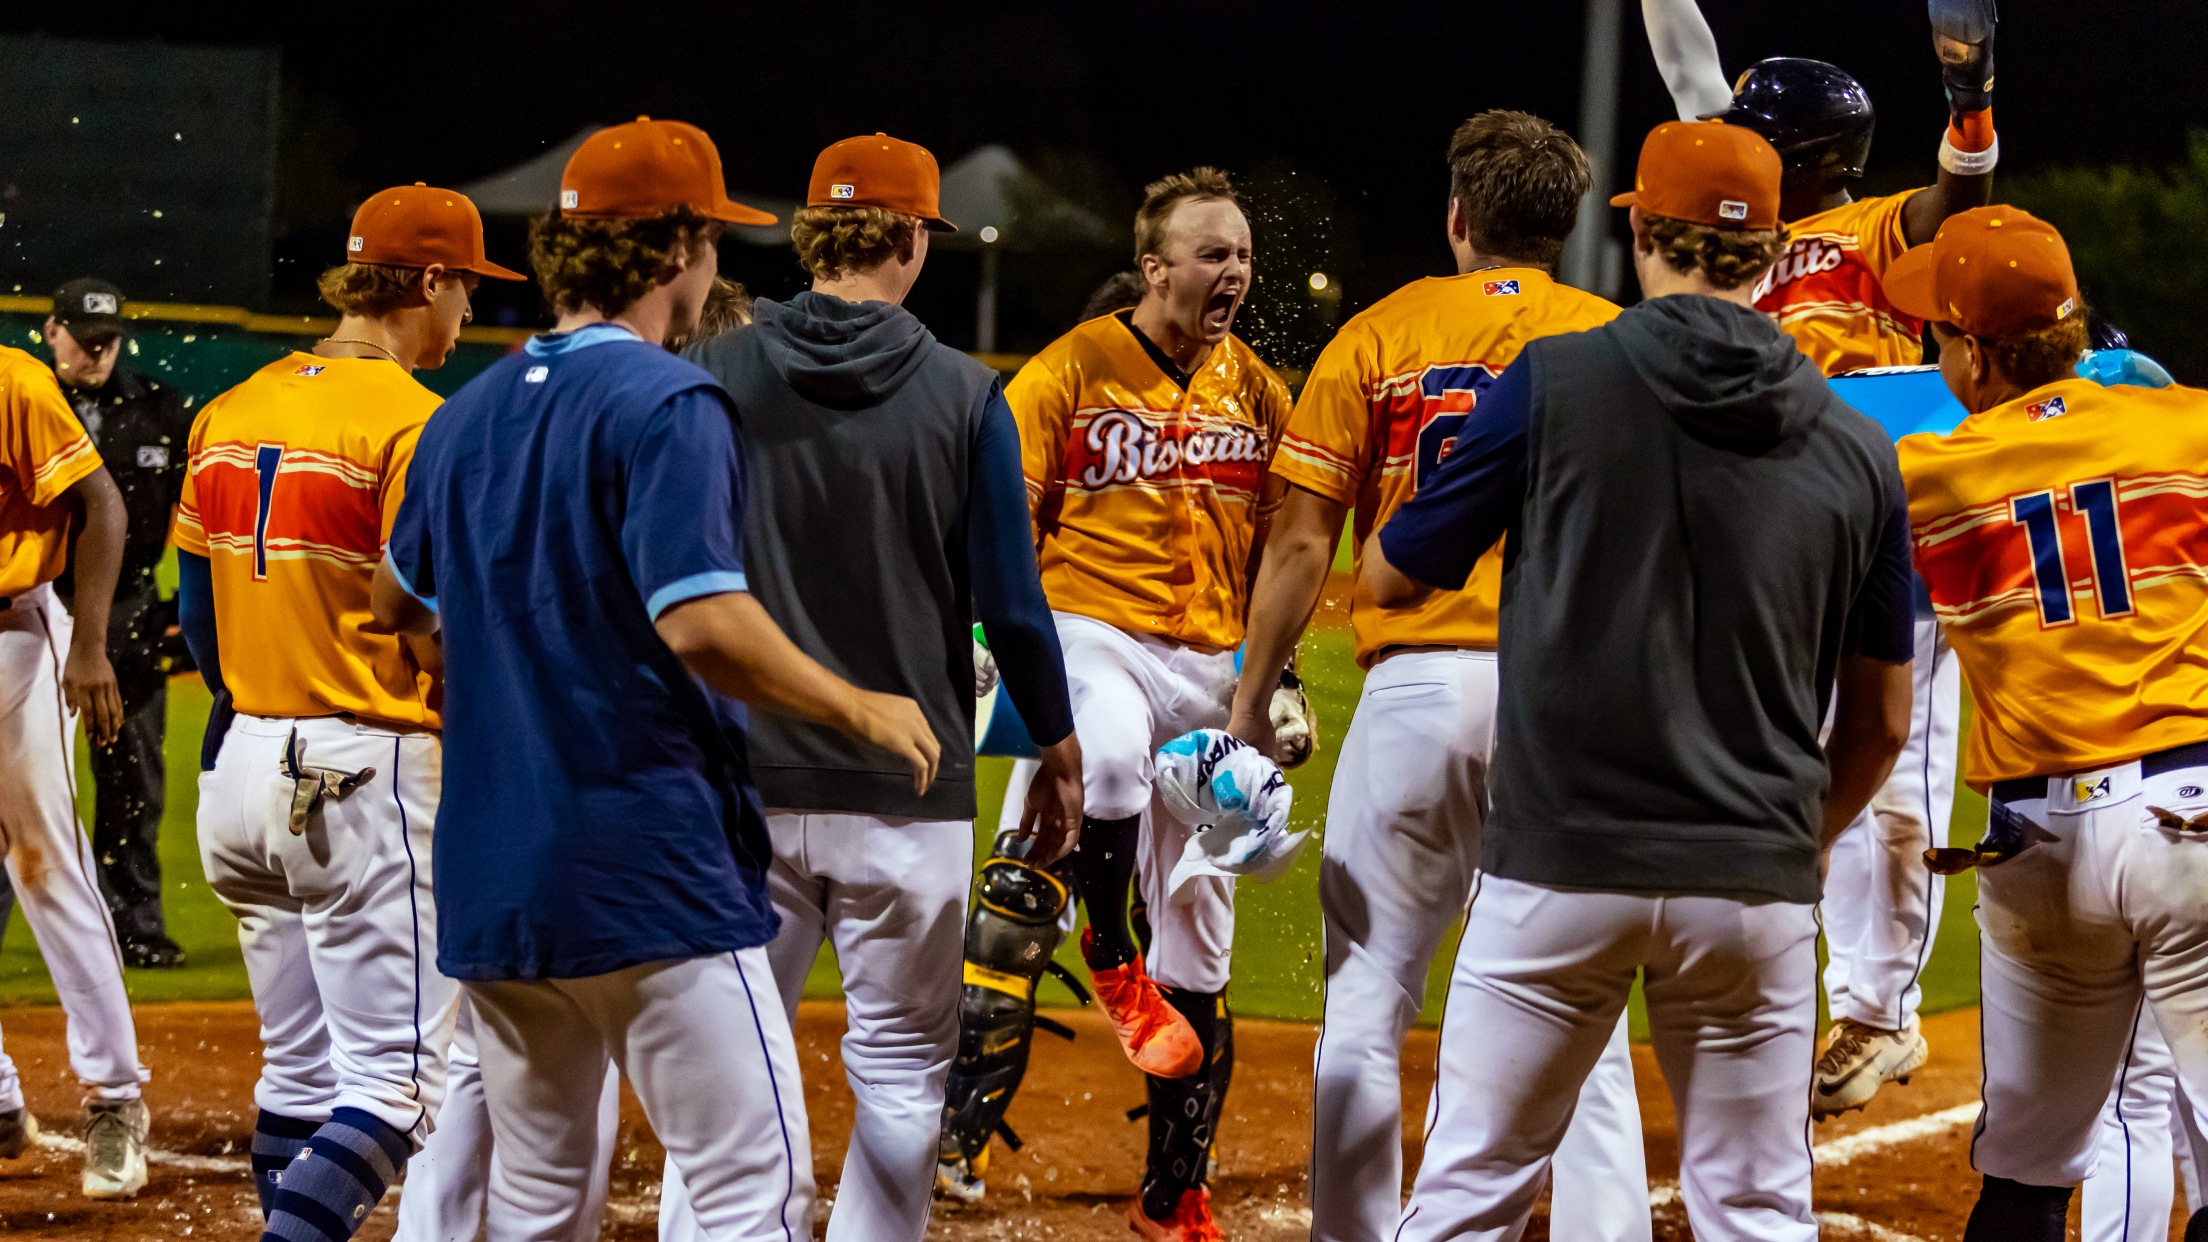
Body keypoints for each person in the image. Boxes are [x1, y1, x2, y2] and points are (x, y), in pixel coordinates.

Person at [372, 117, 939, 1239]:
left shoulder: (467, 414)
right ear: (675, 250)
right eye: (712, 239)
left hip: (497, 878)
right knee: (748, 1192)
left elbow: (398, 611)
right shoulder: (667, 402)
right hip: (645, 865)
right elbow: (702, 623)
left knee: (535, 1200)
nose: (717, 263)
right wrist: (858, 703)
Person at [1368, 120, 1915, 1241]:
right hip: (1754, 877)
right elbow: (1884, 722)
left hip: (1561, 863)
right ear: (1770, 256)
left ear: (1642, 238)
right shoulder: (1858, 443)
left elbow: (1393, 579)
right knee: (1758, 1207)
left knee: (1471, 1192)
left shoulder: (1558, 377)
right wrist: (1802, 834)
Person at [1225, 110, 1653, 1242]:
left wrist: (1247, 700)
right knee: (1582, 1016)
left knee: (1366, 1006)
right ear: (1563, 226)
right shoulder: (1618, 340)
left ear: (1458, 215)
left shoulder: (1380, 331)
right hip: (1568, 705)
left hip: (1416, 694)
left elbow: (1306, 541)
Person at [660, 130, 1082, 1242]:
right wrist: (1060, 745)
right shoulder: (964, 392)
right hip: (910, 787)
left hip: (739, 783)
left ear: (812, 233)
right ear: (907, 235)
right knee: (900, 1076)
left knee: (724, 1079)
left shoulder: (709, 368)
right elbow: (1015, 603)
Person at [1638, 0, 1999, 1117]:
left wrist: (1969, 105)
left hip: (1893, 530)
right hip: (1778, 536)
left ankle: (1880, 1014)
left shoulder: (1878, 225)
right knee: (1783, 763)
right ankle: (1774, 983)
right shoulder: (1738, 227)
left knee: (1897, 782)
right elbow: (1688, 68)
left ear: (1793, 151)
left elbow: (1956, 207)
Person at [174, 183, 524, 1240]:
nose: (469, 311)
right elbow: (437, 618)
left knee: (299, 1072)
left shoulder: (228, 409)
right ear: (424, 280)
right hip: (358, 771)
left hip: (235, 769)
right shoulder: (423, 424)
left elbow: (196, 619)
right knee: (393, 1092)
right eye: (465, 285)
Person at [1888, 206, 2208, 1242]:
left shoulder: (1928, 477)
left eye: (1938, 333)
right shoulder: (2193, 427)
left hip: (2040, 848)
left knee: (2024, 1181)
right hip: (2195, 825)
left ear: (1975, 352)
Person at [1006, 167, 1291, 1240]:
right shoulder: (1070, 369)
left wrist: (1279, 675)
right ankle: (1111, 957)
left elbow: (1284, 554)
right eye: (1212, 254)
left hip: (1213, 664)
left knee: (1209, 933)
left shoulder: (1259, 391)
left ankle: (1175, 1190)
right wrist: (1006, 662)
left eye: (1246, 256)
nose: (1234, 274)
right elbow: (1008, 520)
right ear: (1154, 266)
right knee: (1116, 764)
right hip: (1096, 632)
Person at [0, 330, 149, 1199]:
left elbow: (105, 505)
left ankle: (116, 1097)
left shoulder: (16, 380)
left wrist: (89, 645)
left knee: (48, 866)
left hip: (18, 634)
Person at [36, 278, 191, 969]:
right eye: (83, 337)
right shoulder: (26, 402)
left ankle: (134, 928)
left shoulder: (157, 406)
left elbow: (199, 517)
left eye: (107, 340)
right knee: (21, 782)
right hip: (36, 606)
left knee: (132, 778)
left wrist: (175, 611)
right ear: (51, 331)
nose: (96, 351)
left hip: (128, 609)